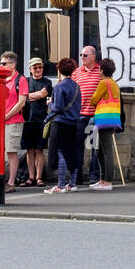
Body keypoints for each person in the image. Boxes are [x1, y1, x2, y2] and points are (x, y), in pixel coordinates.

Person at [44, 57, 83, 194]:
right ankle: (71, 183)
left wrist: (50, 103)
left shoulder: (59, 86)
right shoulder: (76, 86)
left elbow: (58, 108)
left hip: (61, 123)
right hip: (74, 123)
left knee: (61, 153)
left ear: (59, 70)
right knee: (72, 153)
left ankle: (60, 185)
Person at [89, 58, 122, 191]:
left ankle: (107, 182)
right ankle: (102, 180)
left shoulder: (103, 83)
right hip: (112, 118)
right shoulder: (114, 83)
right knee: (100, 151)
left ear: (102, 70)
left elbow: (93, 100)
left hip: (103, 119)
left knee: (106, 151)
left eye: (99, 68)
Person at [74, 46, 104, 185]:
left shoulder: (100, 71)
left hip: (95, 115)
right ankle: (76, 176)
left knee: (95, 147)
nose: (82, 57)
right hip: (80, 115)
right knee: (77, 146)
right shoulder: (77, 73)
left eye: (85, 55)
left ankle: (94, 175)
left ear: (93, 57)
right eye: (81, 54)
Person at [22, 57, 53, 187]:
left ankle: (39, 177)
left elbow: (43, 94)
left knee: (39, 149)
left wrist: (28, 96)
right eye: (35, 68)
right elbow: (24, 96)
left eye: (40, 67)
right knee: (29, 150)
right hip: (27, 119)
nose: (38, 70)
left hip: (41, 120)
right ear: (30, 69)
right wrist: (33, 95)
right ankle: (31, 177)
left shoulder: (47, 82)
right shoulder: (26, 81)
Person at [0, 52, 28, 192]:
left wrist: (6, 115)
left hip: (14, 120)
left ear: (12, 64)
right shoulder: (2, 80)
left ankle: (11, 182)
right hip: (1, 121)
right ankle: (3, 180)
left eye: (4, 63)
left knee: (11, 151)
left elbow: (21, 102)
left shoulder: (20, 80)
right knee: (2, 151)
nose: (1, 66)